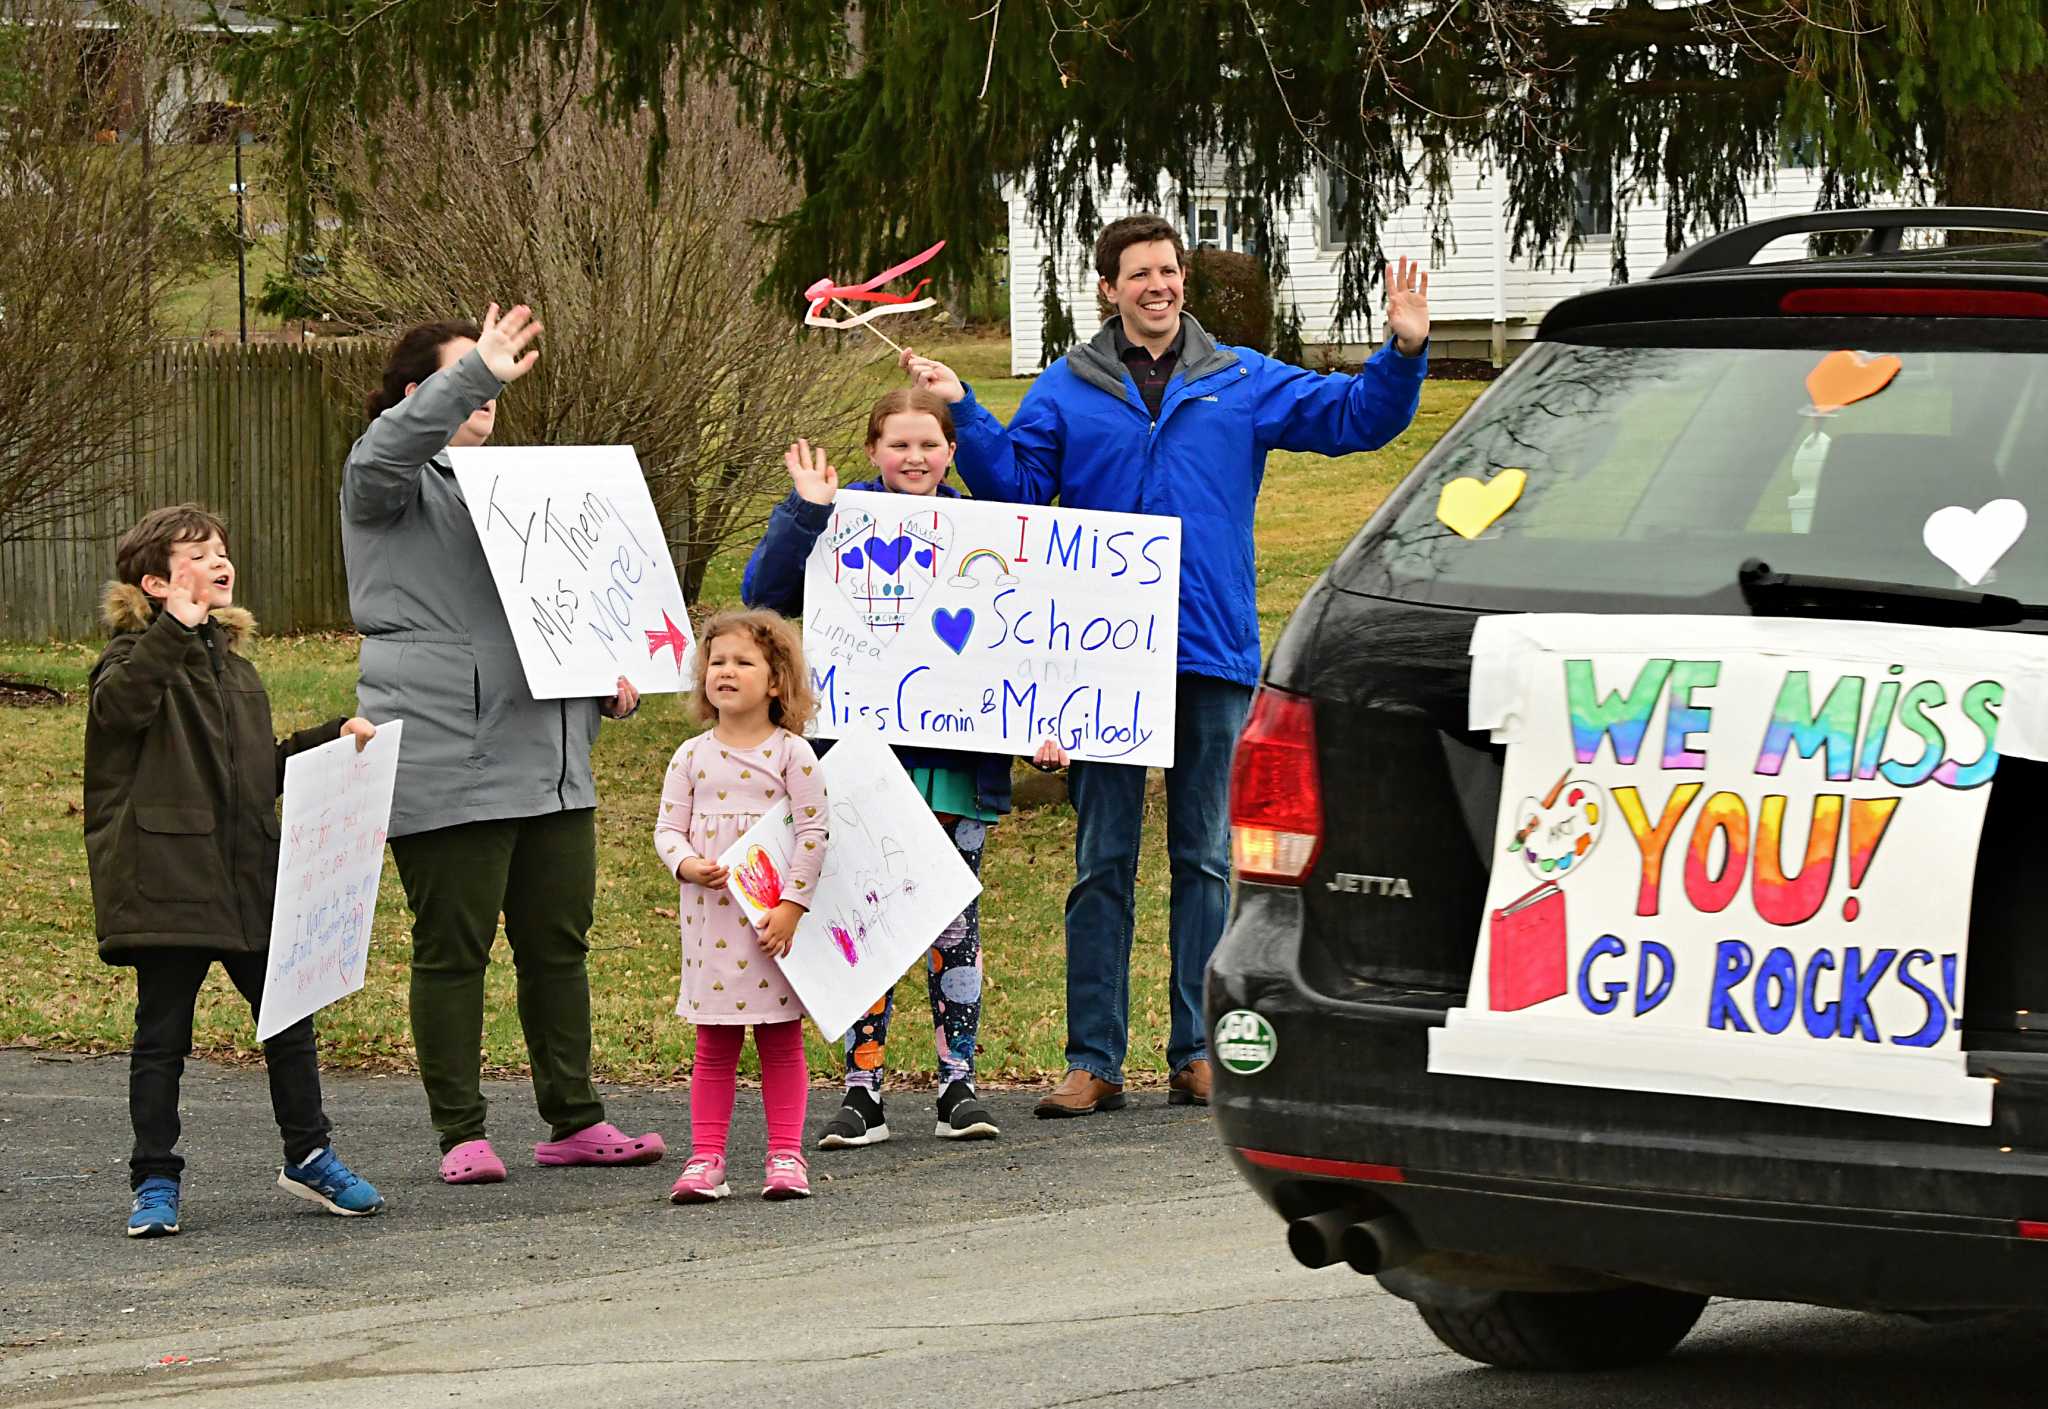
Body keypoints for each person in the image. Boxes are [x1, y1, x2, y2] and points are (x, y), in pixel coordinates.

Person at [903, 214, 1432, 1116]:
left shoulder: (1239, 381)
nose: (1160, 285)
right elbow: (1018, 491)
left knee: (1206, 857)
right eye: (1140, 273)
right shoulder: (1066, 392)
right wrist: (965, 408)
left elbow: (1353, 419)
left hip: (1211, 650)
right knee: (1103, 857)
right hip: (1101, 668)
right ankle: (1092, 1059)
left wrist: (1403, 349)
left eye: (1170, 270)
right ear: (1108, 288)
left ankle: (1197, 1048)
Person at [341, 304, 663, 1183]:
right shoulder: (382, 479)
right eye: (466, 377)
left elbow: (569, 603)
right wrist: (474, 369)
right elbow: (394, 446)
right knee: (455, 946)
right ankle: (462, 1132)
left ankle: (574, 1117)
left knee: (558, 943)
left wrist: (610, 670)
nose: (488, 392)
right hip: (447, 755)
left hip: (551, 758)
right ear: (421, 392)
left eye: (490, 379)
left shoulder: (528, 486)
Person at [741, 390, 1063, 1147]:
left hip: (957, 770)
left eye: (929, 444)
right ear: (872, 451)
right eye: (898, 445)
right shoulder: (838, 519)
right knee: (862, 917)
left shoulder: (988, 533)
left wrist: (1043, 730)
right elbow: (762, 594)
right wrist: (805, 509)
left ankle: (959, 1086)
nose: (914, 458)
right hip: (858, 767)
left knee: (953, 927)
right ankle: (864, 1093)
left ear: (952, 451)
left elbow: (1015, 642)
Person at [86, 503, 385, 1237]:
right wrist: (173, 632)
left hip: (248, 876)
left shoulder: (239, 670)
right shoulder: (130, 661)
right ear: (156, 583)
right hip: (168, 879)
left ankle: (309, 1154)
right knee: (162, 1036)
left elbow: (256, 774)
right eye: (198, 553)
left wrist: (327, 740)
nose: (220, 561)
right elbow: (120, 712)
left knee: (287, 1022)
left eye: (223, 548)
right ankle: (155, 1178)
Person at [656, 610, 829, 1202]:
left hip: (772, 926)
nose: (724, 671)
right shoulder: (690, 756)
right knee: (714, 1043)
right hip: (711, 925)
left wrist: (792, 906)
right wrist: (685, 864)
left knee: (781, 1040)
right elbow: (666, 830)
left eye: (742, 662)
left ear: (776, 680)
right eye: (716, 661)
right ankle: (706, 1158)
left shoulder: (793, 755)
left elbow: (813, 834)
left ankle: (786, 1154)